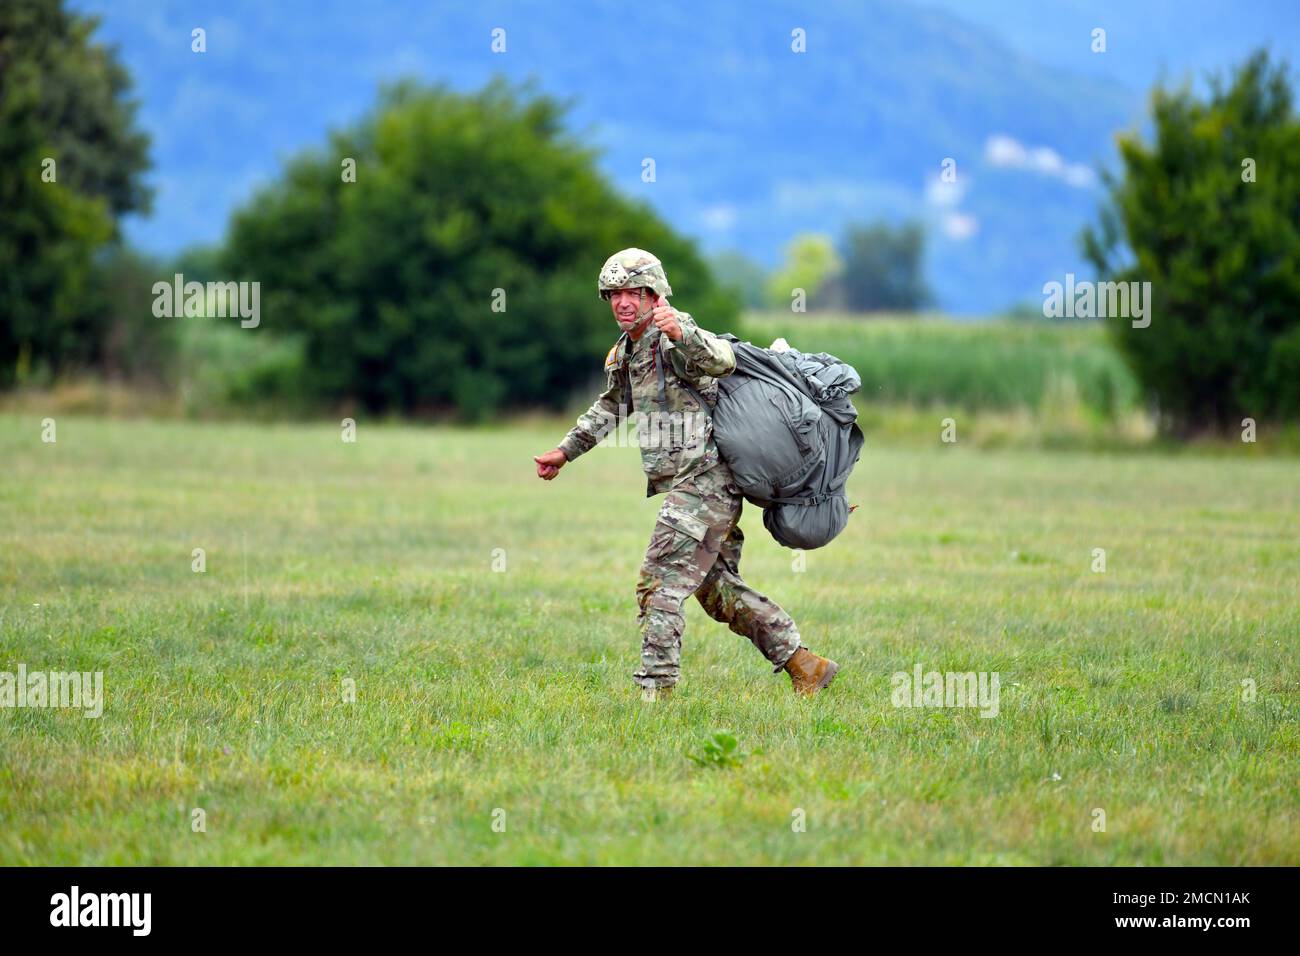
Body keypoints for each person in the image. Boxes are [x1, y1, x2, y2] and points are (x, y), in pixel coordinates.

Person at [532, 249, 839, 701]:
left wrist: (682, 333)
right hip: (690, 485)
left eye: (633, 292)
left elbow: (721, 359)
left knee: (657, 580)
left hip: (708, 480)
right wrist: (565, 451)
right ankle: (805, 664)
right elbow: (612, 406)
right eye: (615, 294)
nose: (622, 302)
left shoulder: (673, 331)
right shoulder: (626, 350)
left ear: (654, 294)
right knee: (716, 591)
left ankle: (656, 694)